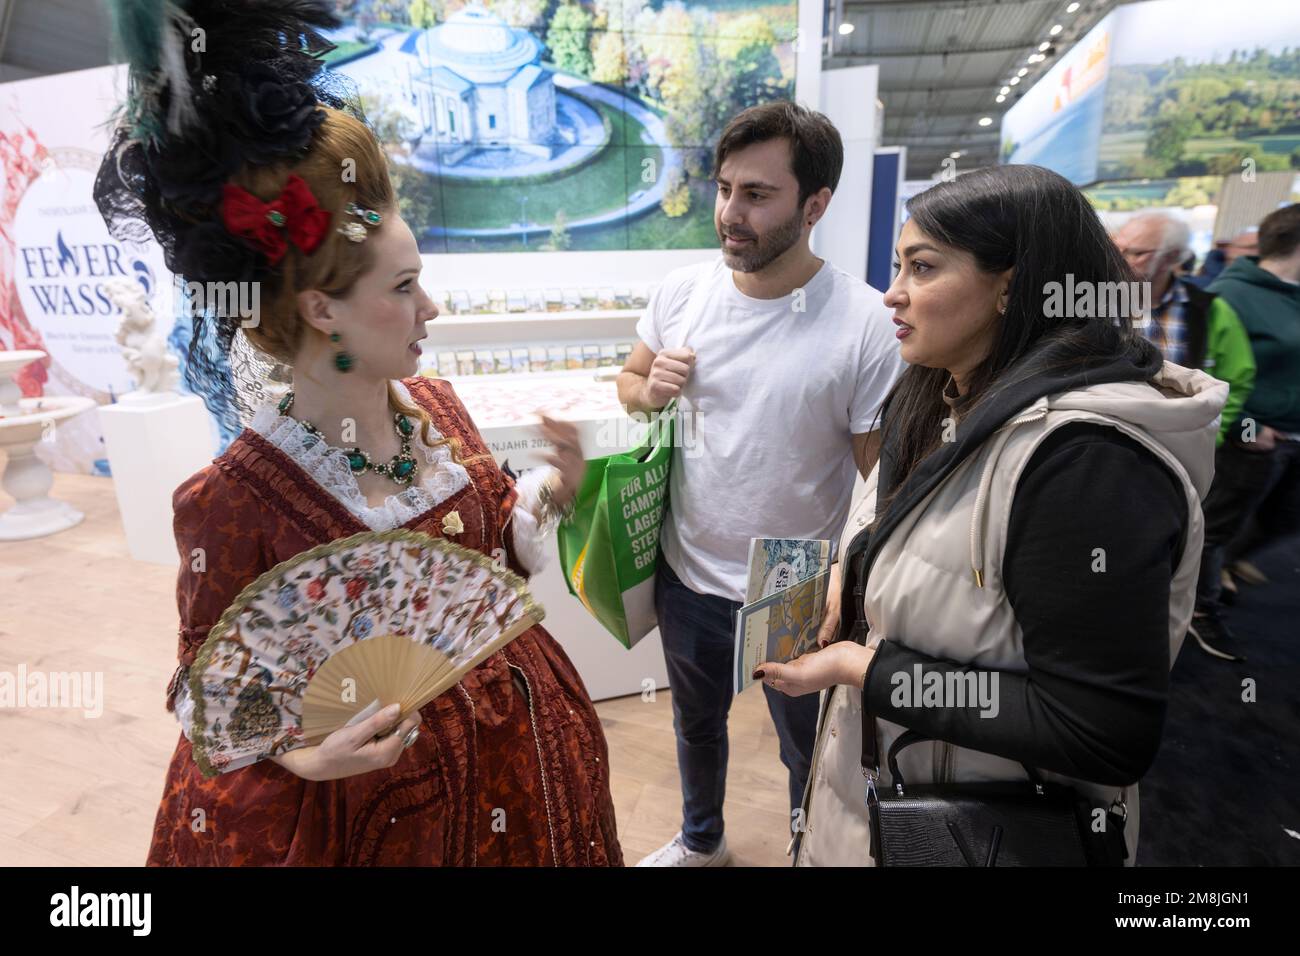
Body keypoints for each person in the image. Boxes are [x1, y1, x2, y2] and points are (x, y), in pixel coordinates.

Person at [94, 0, 621, 866]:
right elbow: (210, 686)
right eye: (405, 285)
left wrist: (550, 492)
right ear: (321, 309)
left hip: (527, 764)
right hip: (385, 809)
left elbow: (487, 561)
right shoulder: (235, 502)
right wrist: (300, 747)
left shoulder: (440, 417)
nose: (432, 306)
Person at [758, 164, 1226, 866]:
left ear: (1012, 284)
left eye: (922, 267)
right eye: (897, 266)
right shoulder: (938, 402)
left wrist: (868, 669)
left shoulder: (1085, 464)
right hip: (878, 807)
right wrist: (852, 583)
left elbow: (1099, 729)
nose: (894, 294)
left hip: (985, 833)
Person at [617, 101, 903, 866]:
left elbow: (880, 482)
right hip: (686, 573)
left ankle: (807, 853)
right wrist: (651, 393)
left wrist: (848, 578)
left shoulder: (867, 321)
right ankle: (701, 840)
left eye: (757, 195)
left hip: (795, 585)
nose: (729, 214)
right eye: (723, 189)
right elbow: (630, 383)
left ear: (816, 205)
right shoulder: (682, 291)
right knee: (695, 724)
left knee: (809, 751)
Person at [1112, 212, 1256, 659]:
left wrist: (1206, 435)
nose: (1121, 258)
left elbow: (1237, 376)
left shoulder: (1208, 308)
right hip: (1109, 450)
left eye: (1136, 251)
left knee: (1173, 542)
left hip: (1179, 456)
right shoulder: (1091, 301)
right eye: (1118, 247)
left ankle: (1177, 620)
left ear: (1174, 256)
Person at [1196, 204, 1300, 646]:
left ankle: (1225, 564)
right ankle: (1200, 606)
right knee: (1215, 525)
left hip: (1291, 433)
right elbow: (1215, 373)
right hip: (1254, 438)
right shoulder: (1232, 295)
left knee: (1284, 517)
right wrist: (1244, 426)